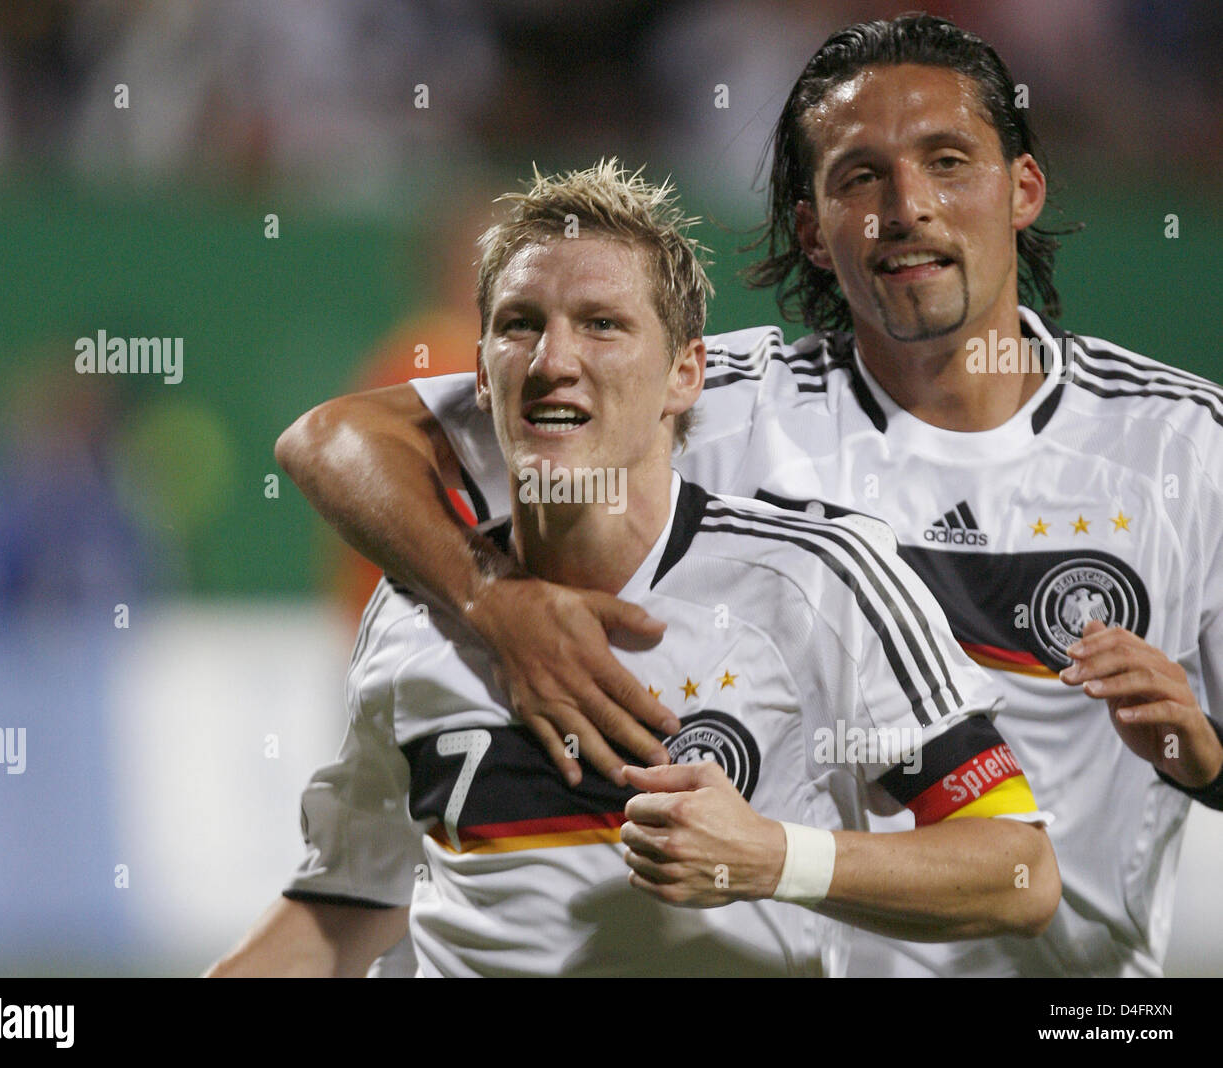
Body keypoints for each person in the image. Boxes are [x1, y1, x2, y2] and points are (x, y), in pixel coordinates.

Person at [269, 15, 1223, 978]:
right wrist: (489, 600)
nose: (908, 208)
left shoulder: (1186, 447)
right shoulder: (709, 398)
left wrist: (1211, 759)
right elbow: (333, 439)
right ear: (812, 227)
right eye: (859, 176)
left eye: (947, 162)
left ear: (1022, 188)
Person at [208, 161, 1059, 977]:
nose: (552, 360)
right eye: (519, 324)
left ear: (685, 374)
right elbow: (352, 898)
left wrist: (775, 859)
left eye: (603, 324)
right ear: (479, 374)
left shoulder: (816, 580)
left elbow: (1020, 871)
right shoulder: (411, 617)